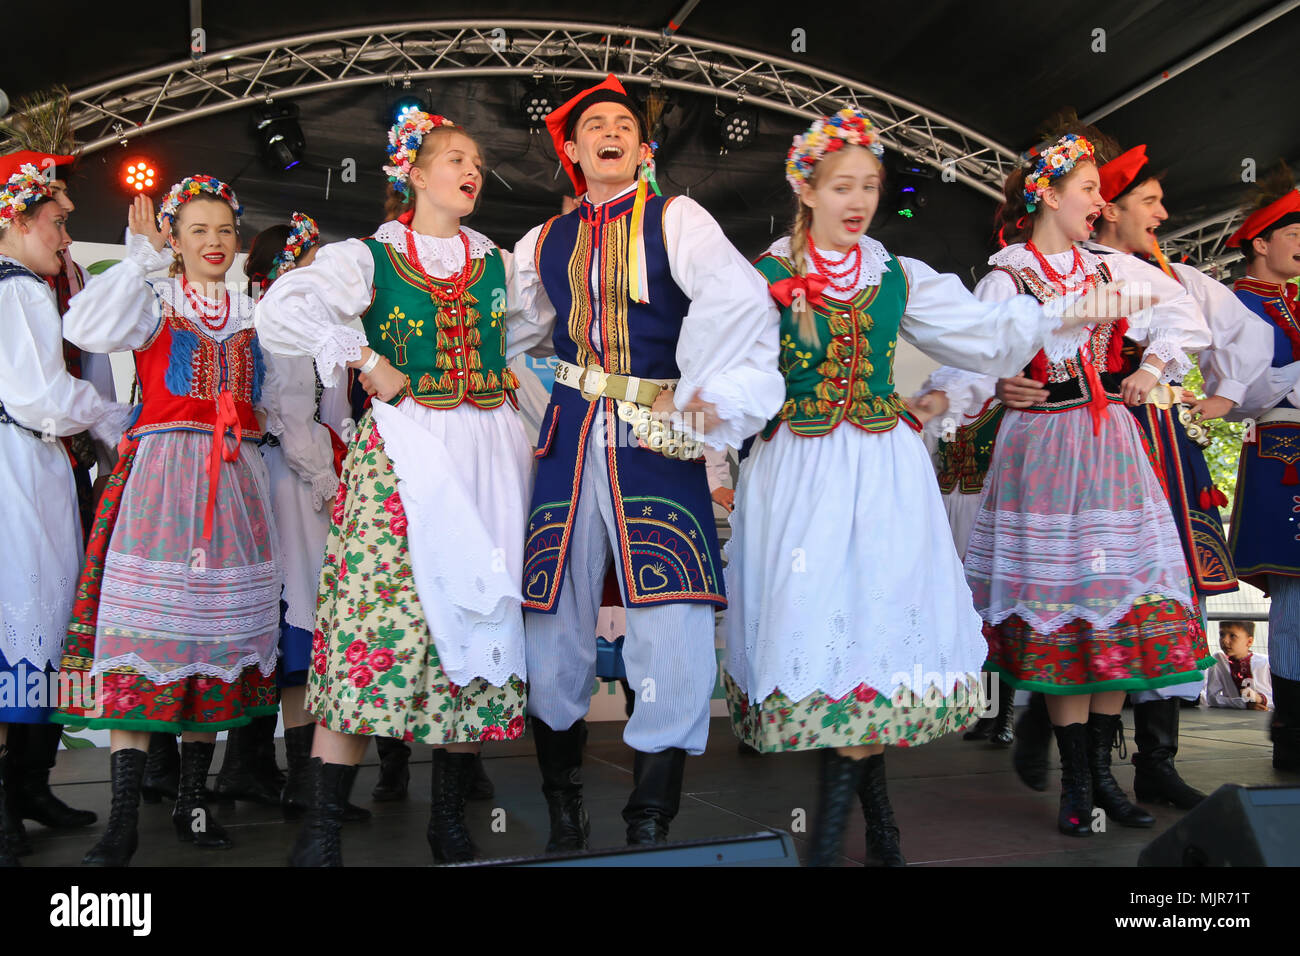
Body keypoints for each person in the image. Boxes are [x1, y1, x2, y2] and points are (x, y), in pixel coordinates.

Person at [724, 109, 1144, 866]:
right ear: (806, 189)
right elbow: (741, 380)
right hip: (802, 475)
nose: (859, 201)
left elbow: (985, 336)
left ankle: (845, 838)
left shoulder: (895, 273)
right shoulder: (765, 277)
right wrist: (716, 414)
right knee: (823, 641)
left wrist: (1074, 307)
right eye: (843, 185)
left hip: (884, 477)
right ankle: (874, 827)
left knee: (876, 639)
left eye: (871, 187)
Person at [508, 74, 786, 849]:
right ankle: (564, 804)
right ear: (570, 149)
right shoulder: (541, 242)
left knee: (673, 611)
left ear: (642, 147)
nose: (611, 132)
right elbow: (504, 333)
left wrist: (694, 396)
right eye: (594, 123)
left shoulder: (677, 217)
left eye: (624, 125)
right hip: (568, 432)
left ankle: (650, 816)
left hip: (654, 436)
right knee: (551, 610)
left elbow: (736, 302)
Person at [255, 111, 531, 866]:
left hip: (487, 454)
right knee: (374, 627)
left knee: (472, 626)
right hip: (407, 450)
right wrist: (365, 358)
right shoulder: (370, 257)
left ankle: (447, 819)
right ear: (413, 171)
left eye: (477, 160)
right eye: (453, 158)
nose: (471, 170)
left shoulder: (502, 263)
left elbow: (539, 336)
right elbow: (283, 307)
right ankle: (319, 833)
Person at [962, 126, 1213, 836]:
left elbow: (1184, 315)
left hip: (1110, 449)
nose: (1100, 206)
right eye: (1089, 191)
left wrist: (1153, 368)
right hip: (1042, 452)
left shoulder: (1110, 270)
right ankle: (1078, 783)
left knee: (1116, 609)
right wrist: (999, 384)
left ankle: (1104, 776)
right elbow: (971, 363)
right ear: (1047, 193)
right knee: (1067, 611)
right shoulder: (1007, 276)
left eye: (1101, 193)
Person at [55, 176, 281, 866]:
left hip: (237, 485)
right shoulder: (154, 299)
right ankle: (122, 820)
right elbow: (82, 327)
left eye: (223, 231)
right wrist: (139, 260)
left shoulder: (256, 313)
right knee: (149, 641)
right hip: (161, 484)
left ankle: (191, 800)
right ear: (176, 241)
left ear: (237, 243)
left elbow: (280, 405)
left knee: (212, 643)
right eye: (197, 231)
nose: (213, 243)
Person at [0, 164, 129, 866]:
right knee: (26, 619)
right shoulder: (18, 289)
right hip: (20, 465)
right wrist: (118, 418)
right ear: (19, 220)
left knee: (37, 625)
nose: (67, 235)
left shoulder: (27, 287)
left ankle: (26, 788)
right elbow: (40, 396)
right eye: (58, 221)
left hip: (33, 465)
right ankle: (10, 800)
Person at [1223, 162, 1300, 772]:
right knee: (1296, 598)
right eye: (1295, 236)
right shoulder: (1237, 303)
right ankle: (1293, 732)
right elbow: (1238, 392)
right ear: (1261, 242)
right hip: (1280, 455)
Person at [1206, 621, 1272, 711]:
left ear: (1249, 641)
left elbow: (1280, 698)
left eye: (1232, 636)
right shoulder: (1218, 659)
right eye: (1222, 634)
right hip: (1230, 717)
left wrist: (1260, 699)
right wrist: (1243, 704)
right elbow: (1212, 698)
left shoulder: (1265, 662)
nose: (1224, 640)